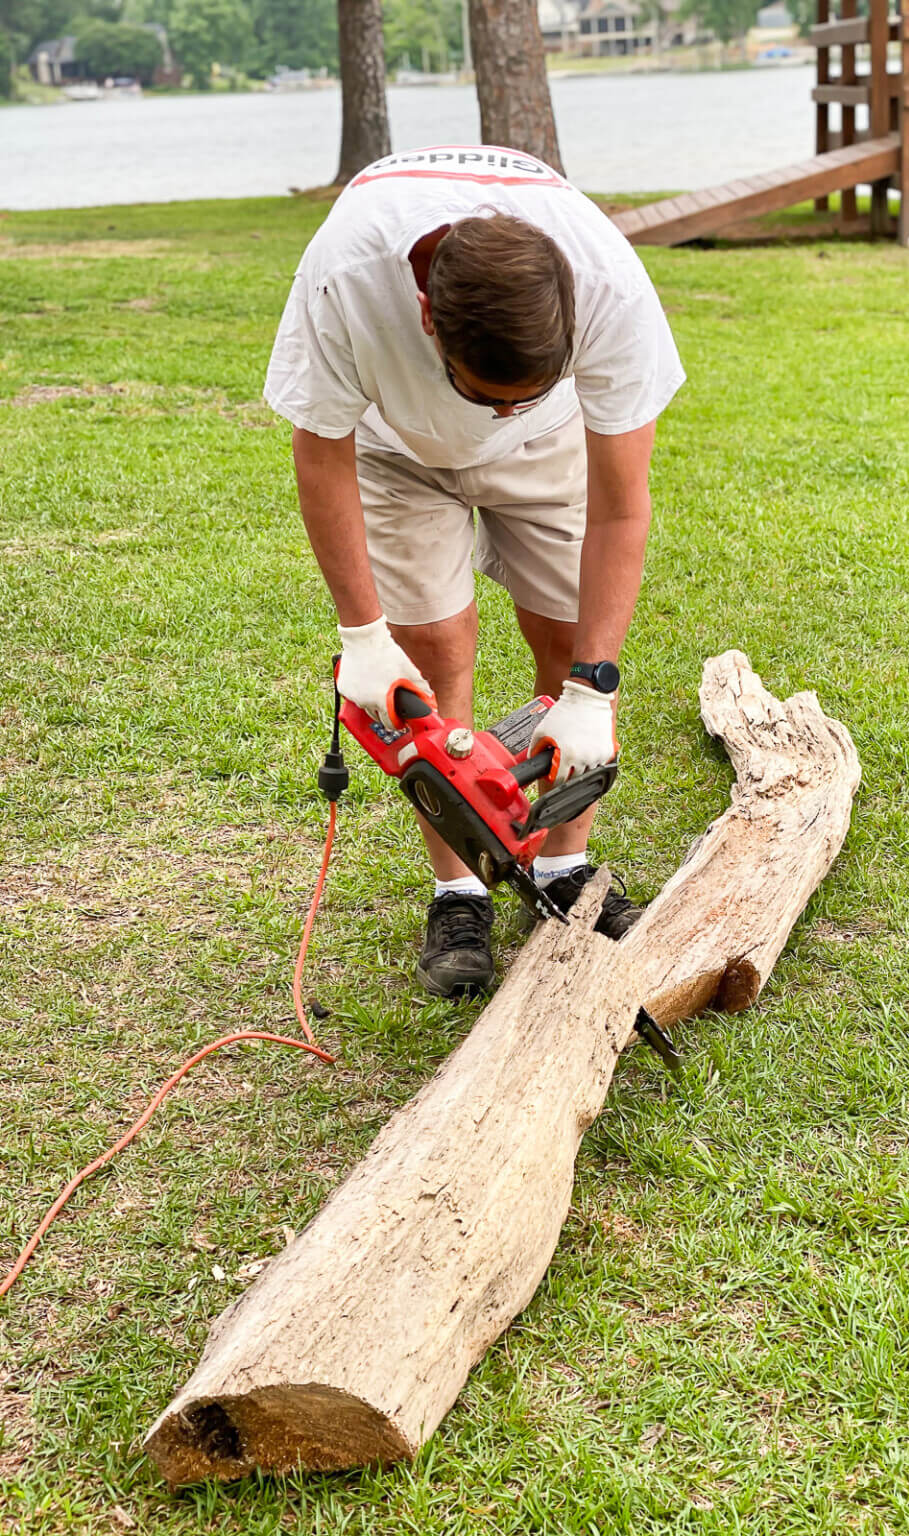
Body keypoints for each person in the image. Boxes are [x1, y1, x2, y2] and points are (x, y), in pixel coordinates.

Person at [265, 143, 685, 998]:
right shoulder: (348, 274)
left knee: (569, 634)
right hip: (394, 446)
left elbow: (620, 506)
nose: (501, 412)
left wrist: (593, 688)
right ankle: (458, 893)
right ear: (426, 320)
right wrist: (366, 638)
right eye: (487, 394)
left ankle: (565, 873)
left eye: (521, 391)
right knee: (430, 655)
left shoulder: (611, 290)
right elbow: (322, 458)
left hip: (552, 448)